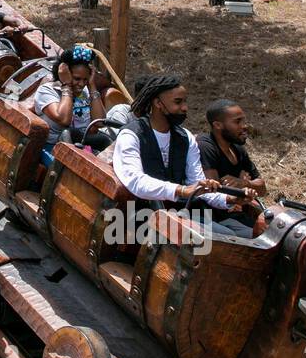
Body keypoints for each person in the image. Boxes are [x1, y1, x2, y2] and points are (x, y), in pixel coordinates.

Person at [109, 75, 256, 238]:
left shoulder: (186, 137)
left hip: (182, 215)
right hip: (140, 217)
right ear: (158, 104)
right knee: (221, 238)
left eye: (185, 102)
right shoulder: (131, 134)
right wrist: (182, 190)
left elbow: (198, 185)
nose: (185, 107)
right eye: (178, 102)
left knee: (247, 236)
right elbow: (136, 182)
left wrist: (230, 198)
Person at [35, 46, 113, 167]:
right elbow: (64, 119)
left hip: (83, 144)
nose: (81, 84)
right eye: (76, 79)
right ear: (64, 73)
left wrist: (92, 85)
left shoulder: (86, 91)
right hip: (54, 147)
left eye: (85, 79)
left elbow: (100, 123)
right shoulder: (47, 91)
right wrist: (66, 85)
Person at [198, 99, 267, 233]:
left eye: (243, 121)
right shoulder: (206, 146)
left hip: (238, 214)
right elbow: (214, 190)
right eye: (237, 122)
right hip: (216, 219)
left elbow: (262, 189)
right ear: (218, 125)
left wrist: (243, 183)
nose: (244, 126)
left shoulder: (237, 147)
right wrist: (244, 190)